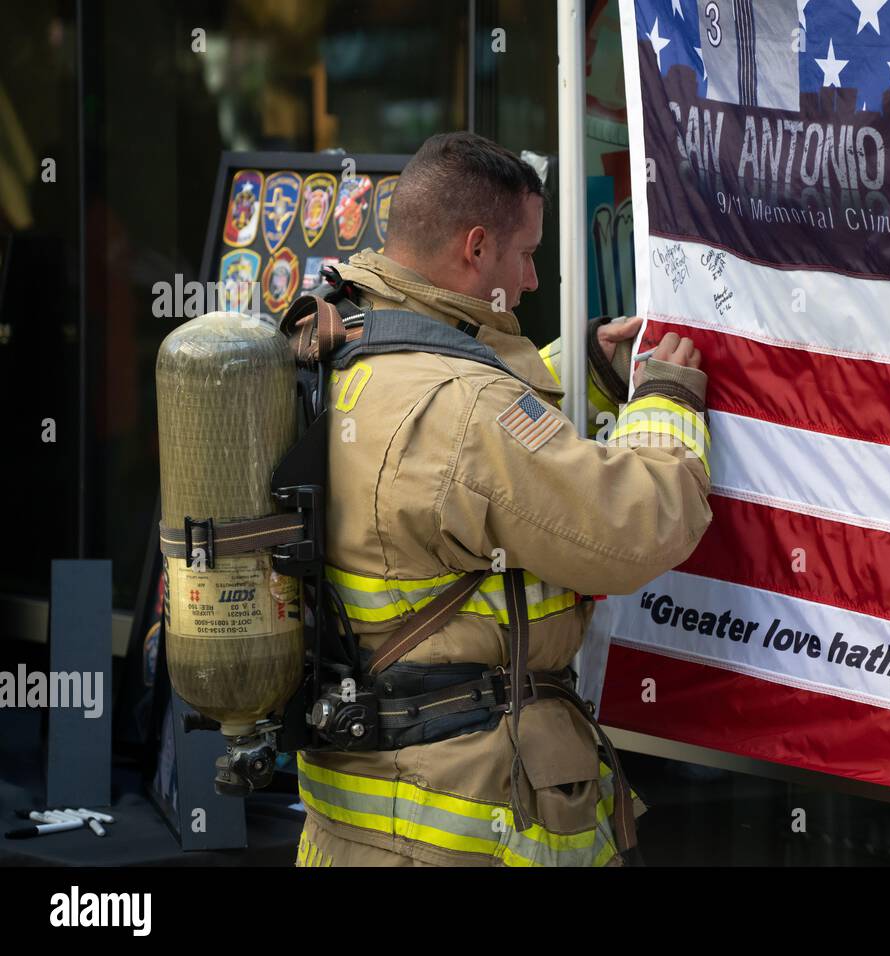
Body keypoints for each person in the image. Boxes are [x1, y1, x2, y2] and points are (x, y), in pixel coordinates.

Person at [291, 132, 713, 867]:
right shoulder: (464, 410)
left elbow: (461, 458)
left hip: (350, 821)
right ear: (476, 248)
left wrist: (579, 370)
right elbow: (638, 525)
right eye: (525, 254)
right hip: (456, 827)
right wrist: (665, 408)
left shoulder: (341, 342)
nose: (533, 282)